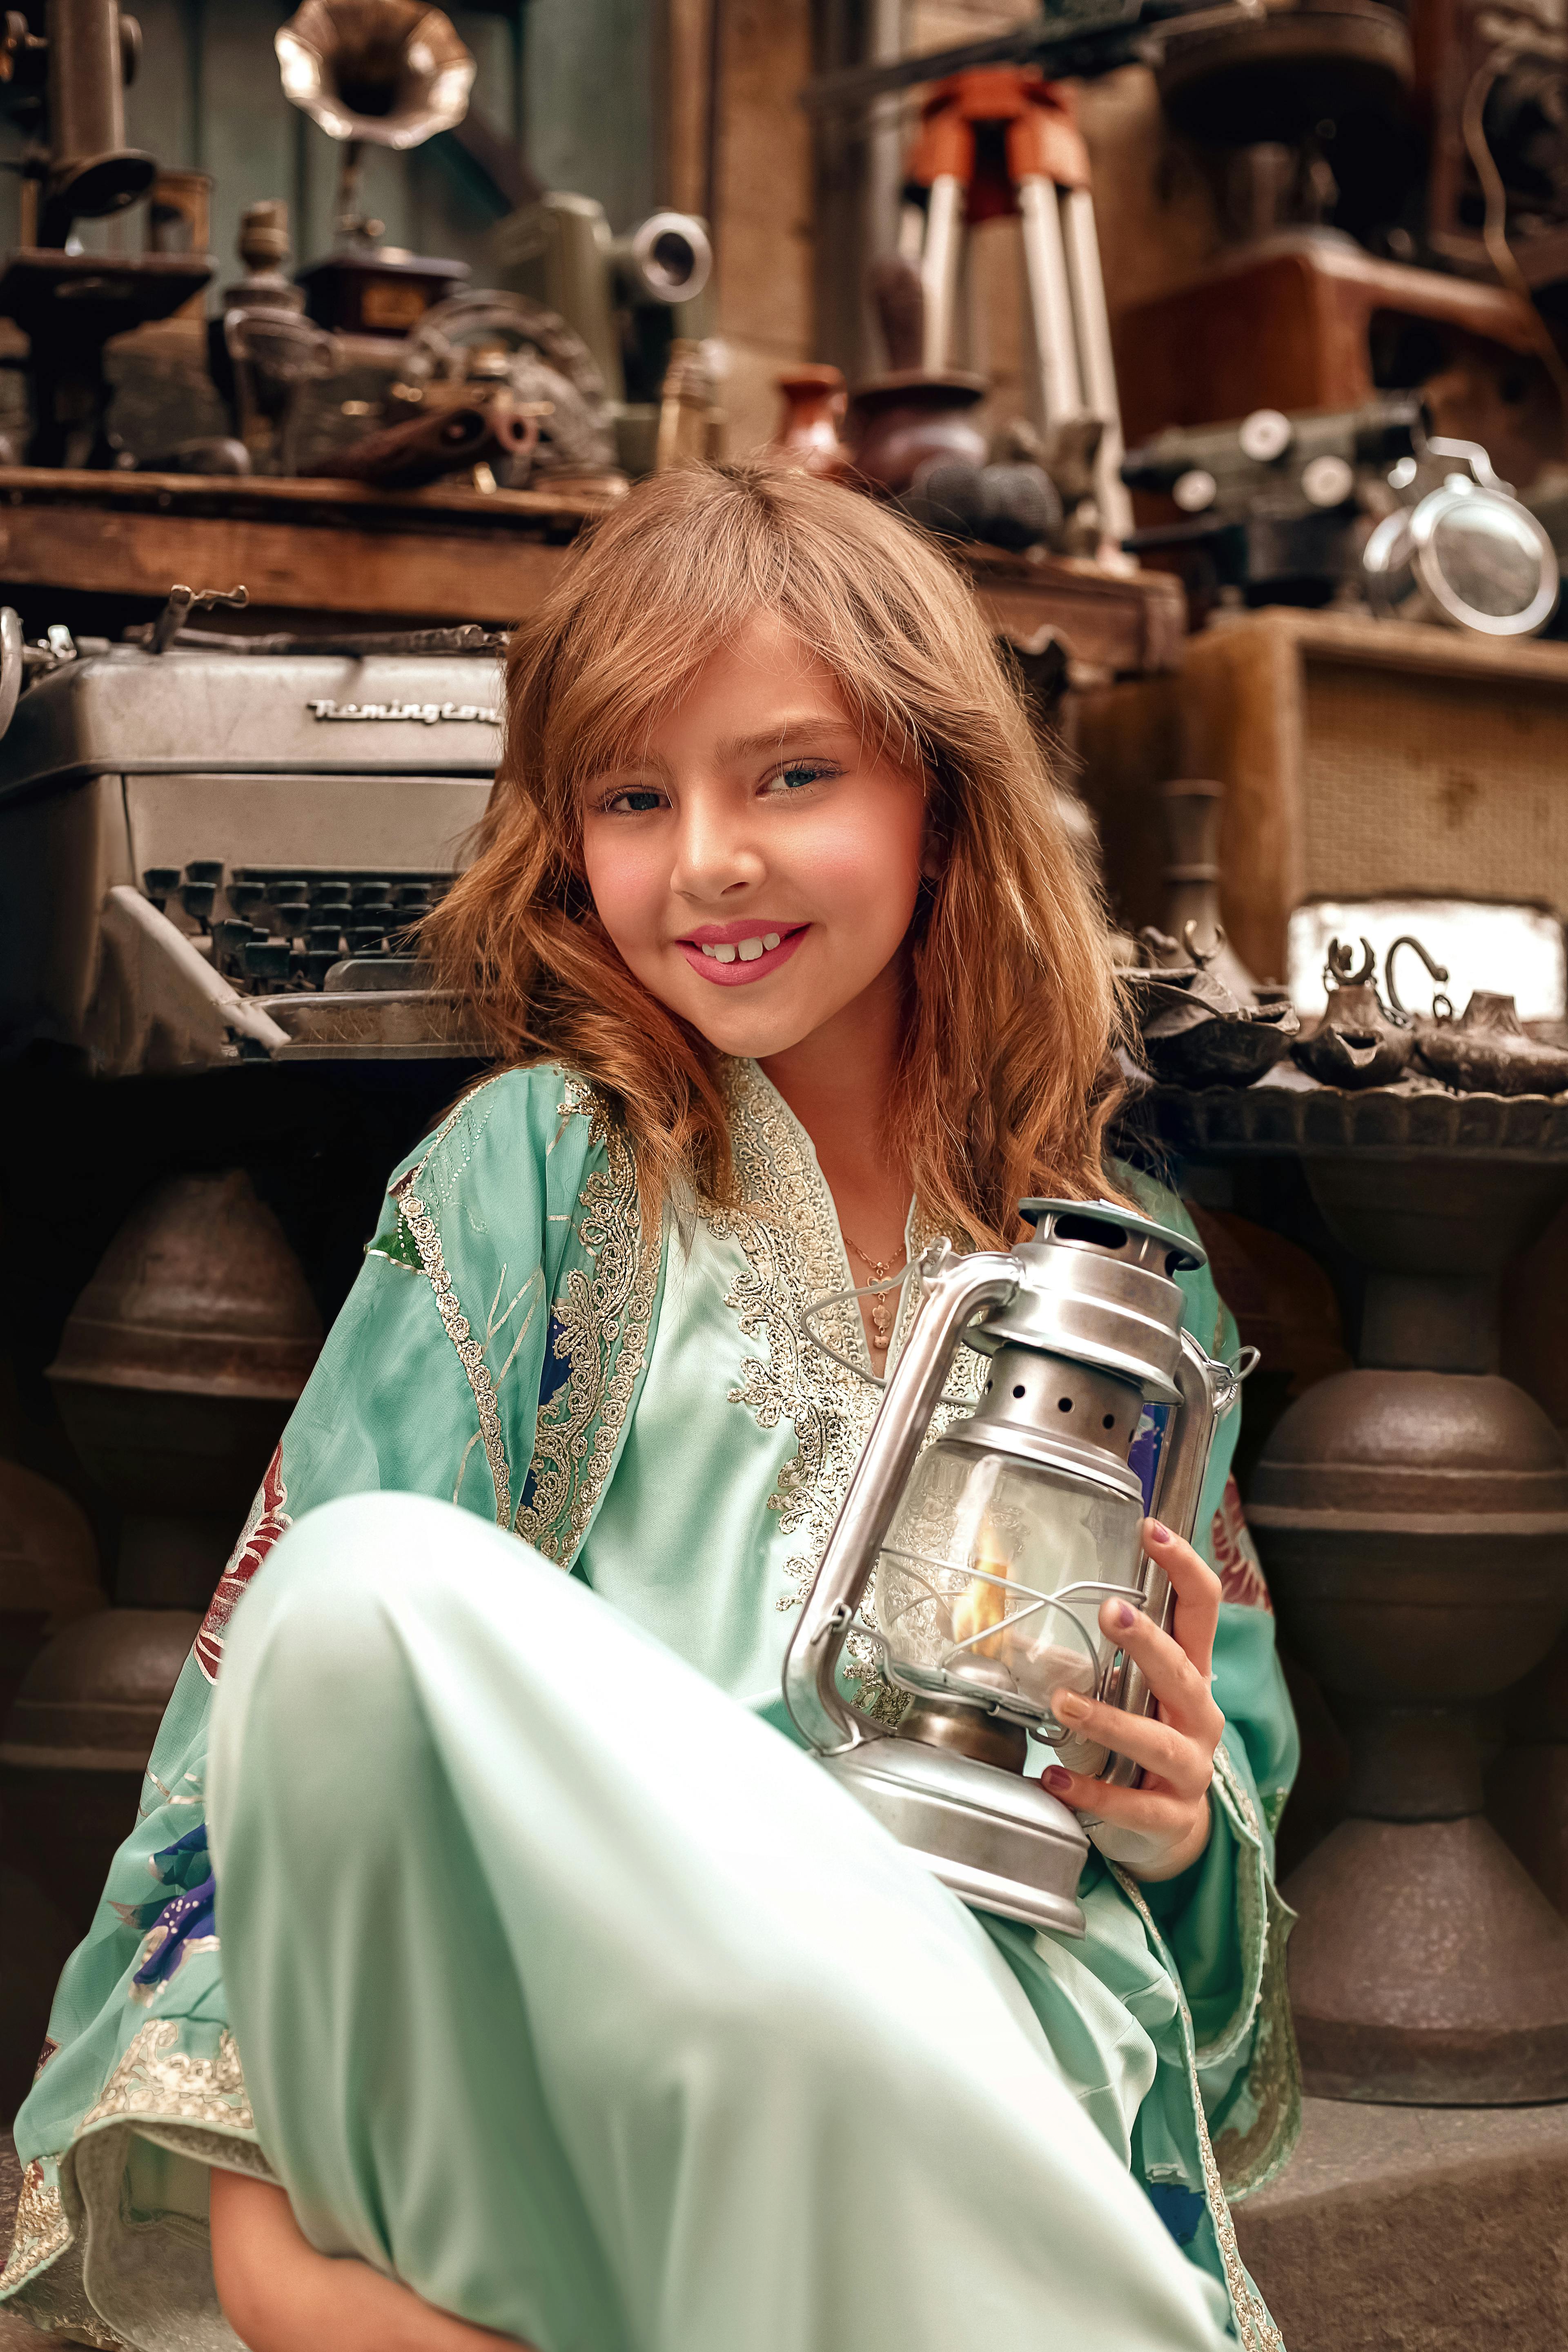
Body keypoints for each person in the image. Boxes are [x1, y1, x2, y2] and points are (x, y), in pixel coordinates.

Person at [2, 465, 1299, 2352]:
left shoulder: (1126, 1270)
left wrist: (1183, 1827)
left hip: (992, 2045)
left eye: (792, 778)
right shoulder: (536, 1172)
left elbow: (1222, 1794)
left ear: (939, 805)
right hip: (600, 2041)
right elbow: (297, 1716)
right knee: (359, 1593)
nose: (708, 862)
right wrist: (270, 2234)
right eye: (632, 795)